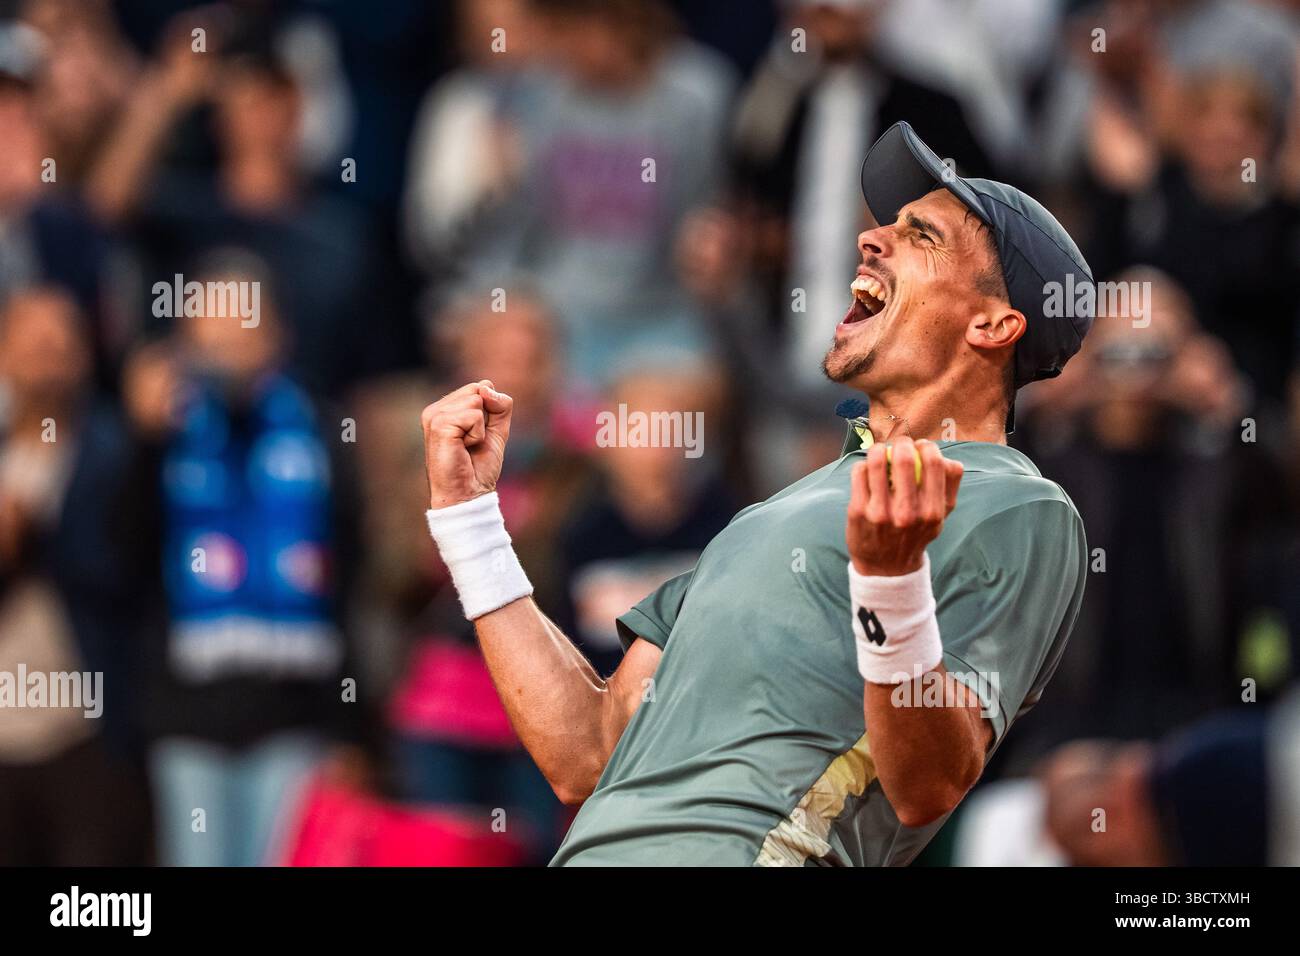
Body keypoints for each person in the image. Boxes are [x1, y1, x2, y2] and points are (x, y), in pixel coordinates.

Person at [419, 121, 1095, 866]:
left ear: (994, 324)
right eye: (885, 227)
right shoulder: (764, 515)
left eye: (922, 235)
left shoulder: (1020, 506)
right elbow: (590, 751)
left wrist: (891, 582)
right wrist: (469, 521)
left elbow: (930, 782)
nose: (873, 241)